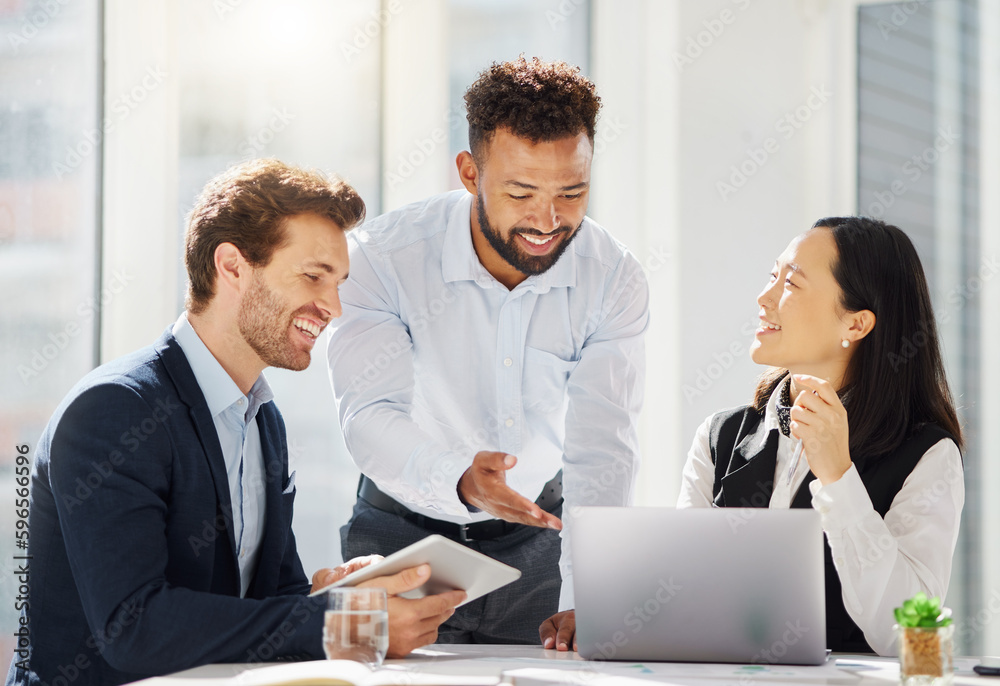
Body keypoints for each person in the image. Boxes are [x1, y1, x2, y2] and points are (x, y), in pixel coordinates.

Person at [7, 159, 465, 686]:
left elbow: (269, 600)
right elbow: (134, 628)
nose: (334, 307)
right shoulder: (115, 410)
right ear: (232, 266)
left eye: (338, 283)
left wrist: (335, 596)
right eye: (314, 276)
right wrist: (341, 623)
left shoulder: (263, 420)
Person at [327, 56, 648, 645]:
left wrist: (590, 593)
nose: (548, 220)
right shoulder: (381, 259)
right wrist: (460, 480)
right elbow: (369, 415)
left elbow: (603, 449)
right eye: (521, 191)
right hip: (400, 539)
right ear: (469, 173)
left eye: (572, 192)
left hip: (540, 549)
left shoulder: (613, 277)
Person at [675, 216, 965, 655]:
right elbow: (678, 599)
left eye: (791, 284)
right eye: (773, 276)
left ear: (856, 325)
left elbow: (906, 637)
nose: (764, 296)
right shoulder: (720, 436)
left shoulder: (926, 454)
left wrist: (839, 478)